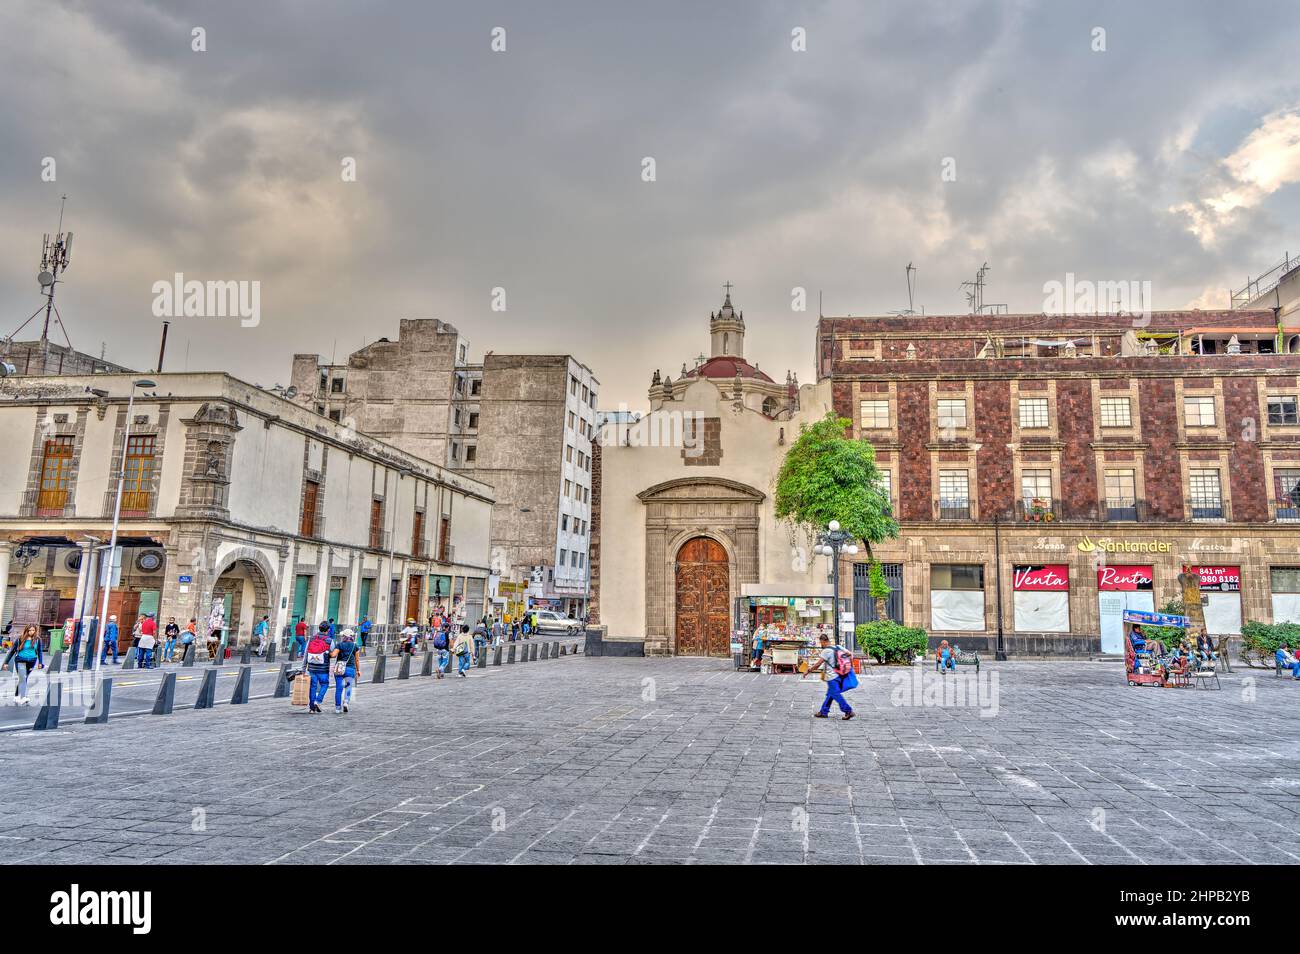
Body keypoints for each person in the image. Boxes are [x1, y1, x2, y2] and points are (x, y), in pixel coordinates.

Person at [807, 633, 856, 721]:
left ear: (824, 641)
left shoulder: (825, 651)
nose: (821, 645)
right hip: (840, 674)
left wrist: (808, 670)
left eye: (821, 643)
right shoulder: (838, 647)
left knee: (835, 694)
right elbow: (850, 654)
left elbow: (818, 664)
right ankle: (823, 711)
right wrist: (844, 663)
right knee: (830, 694)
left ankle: (848, 710)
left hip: (831, 676)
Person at [4, 624, 44, 705]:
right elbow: (12, 651)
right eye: (29, 630)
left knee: (24, 678)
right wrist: (6, 662)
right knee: (23, 678)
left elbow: (40, 651)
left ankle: (16, 697)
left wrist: (40, 662)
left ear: (35, 630)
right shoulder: (20, 639)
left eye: (33, 630)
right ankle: (22, 697)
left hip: (32, 661)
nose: (31, 632)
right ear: (26, 630)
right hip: (20, 660)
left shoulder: (37, 639)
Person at [301, 627, 333, 713]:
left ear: (319, 628)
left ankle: (312, 708)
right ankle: (318, 701)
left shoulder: (311, 638)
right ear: (328, 630)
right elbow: (333, 653)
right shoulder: (329, 640)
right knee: (325, 684)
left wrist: (303, 668)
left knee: (313, 687)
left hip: (312, 668)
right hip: (323, 668)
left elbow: (306, 653)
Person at [330, 628, 361, 714]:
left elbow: (333, 655)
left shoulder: (339, 645)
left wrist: (328, 653)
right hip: (350, 669)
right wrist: (358, 670)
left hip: (339, 668)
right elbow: (357, 660)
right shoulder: (355, 646)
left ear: (344, 636)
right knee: (348, 687)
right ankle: (346, 702)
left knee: (339, 688)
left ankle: (337, 708)